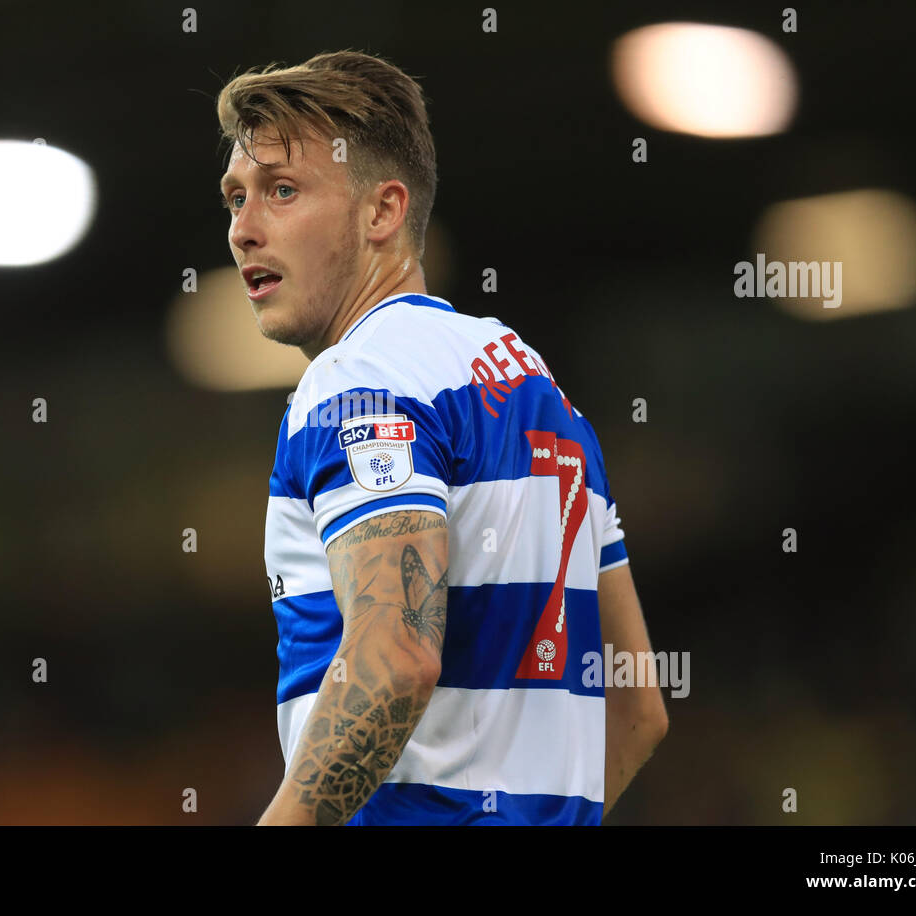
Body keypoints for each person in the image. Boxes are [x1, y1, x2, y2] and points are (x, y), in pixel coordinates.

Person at [215, 49, 668, 825]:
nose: (244, 230)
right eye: (234, 199)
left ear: (383, 212)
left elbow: (391, 662)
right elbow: (637, 706)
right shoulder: (542, 394)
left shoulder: (356, 380)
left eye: (281, 191)